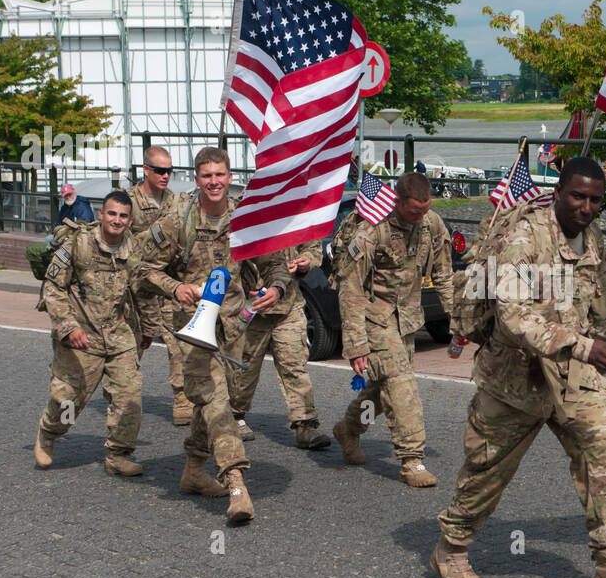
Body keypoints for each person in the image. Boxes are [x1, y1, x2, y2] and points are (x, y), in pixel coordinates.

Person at [432, 157, 606, 578]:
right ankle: (451, 549)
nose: (586, 207)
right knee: (487, 470)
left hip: (573, 376)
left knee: (604, 448)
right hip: (514, 375)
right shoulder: (523, 238)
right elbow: (514, 316)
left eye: (595, 199)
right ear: (558, 192)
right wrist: (582, 347)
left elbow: (598, 313)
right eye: (577, 196)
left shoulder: (592, 238)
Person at [139, 147, 289, 524]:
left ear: (230, 176)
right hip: (192, 331)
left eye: (220, 175)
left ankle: (192, 469)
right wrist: (175, 288)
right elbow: (141, 267)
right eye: (207, 176)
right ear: (197, 179)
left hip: (234, 326)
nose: (214, 182)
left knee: (213, 400)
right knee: (217, 401)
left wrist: (277, 288)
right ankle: (236, 482)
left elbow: (275, 263)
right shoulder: (178, 220)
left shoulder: (245, 218)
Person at [332, 171, 452, 487]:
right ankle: (412, 460)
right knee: (401, 385)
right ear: (397, 202)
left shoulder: (432, 224)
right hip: (375, 319)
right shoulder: (373, 230)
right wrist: (356, 345)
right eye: (414, 211)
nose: (419, 217)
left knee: (381, 393)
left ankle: (349, 429)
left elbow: (443, 275)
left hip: (407, 319)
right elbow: (351, 288)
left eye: (425, 210)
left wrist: (460, 319)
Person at [34, 191, 145, 475]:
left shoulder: (134, 248)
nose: (117, 221)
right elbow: (53, 288)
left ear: (129, 220)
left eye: (123, 216)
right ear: (100, 214)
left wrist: (151, 326)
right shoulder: (78, 244)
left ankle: (118, 455)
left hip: (118, 335)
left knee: (128, 396)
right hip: (81, 336)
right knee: (68, 400)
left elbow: (143, 289)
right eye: (111, 214)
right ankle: (49, 431)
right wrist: (69, 326)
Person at [230, 242, 331, 450]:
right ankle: (233, 415)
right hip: (252, 305)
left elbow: (312, 247)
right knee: (244, 368)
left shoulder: (296, 214)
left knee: (294, 366)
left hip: (289, 305)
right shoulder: (245, 212)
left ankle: (305, 425)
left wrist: (307, 261)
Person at [126, 145, 192, 426]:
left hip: (167, 286)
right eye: (160, 170)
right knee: (130, 347)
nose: (166, 176)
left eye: (169, 171)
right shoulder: (127, 202)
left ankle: (181, 398)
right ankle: (120, 398)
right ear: (146, 170)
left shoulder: (177, 201)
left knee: (178, 343)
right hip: (136, 287)